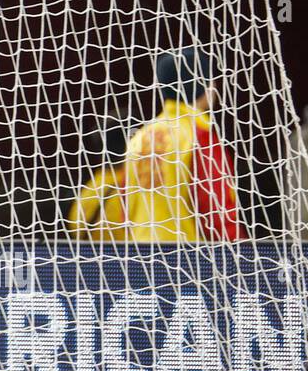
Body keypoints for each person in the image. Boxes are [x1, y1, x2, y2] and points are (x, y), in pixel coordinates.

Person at [68, 47, 241, 242]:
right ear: (204, 86)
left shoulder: (140, 138)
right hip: (188, 259)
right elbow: (214, 208)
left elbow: (126, 209)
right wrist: (239, 256)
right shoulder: (197, 134)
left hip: (139, 257)